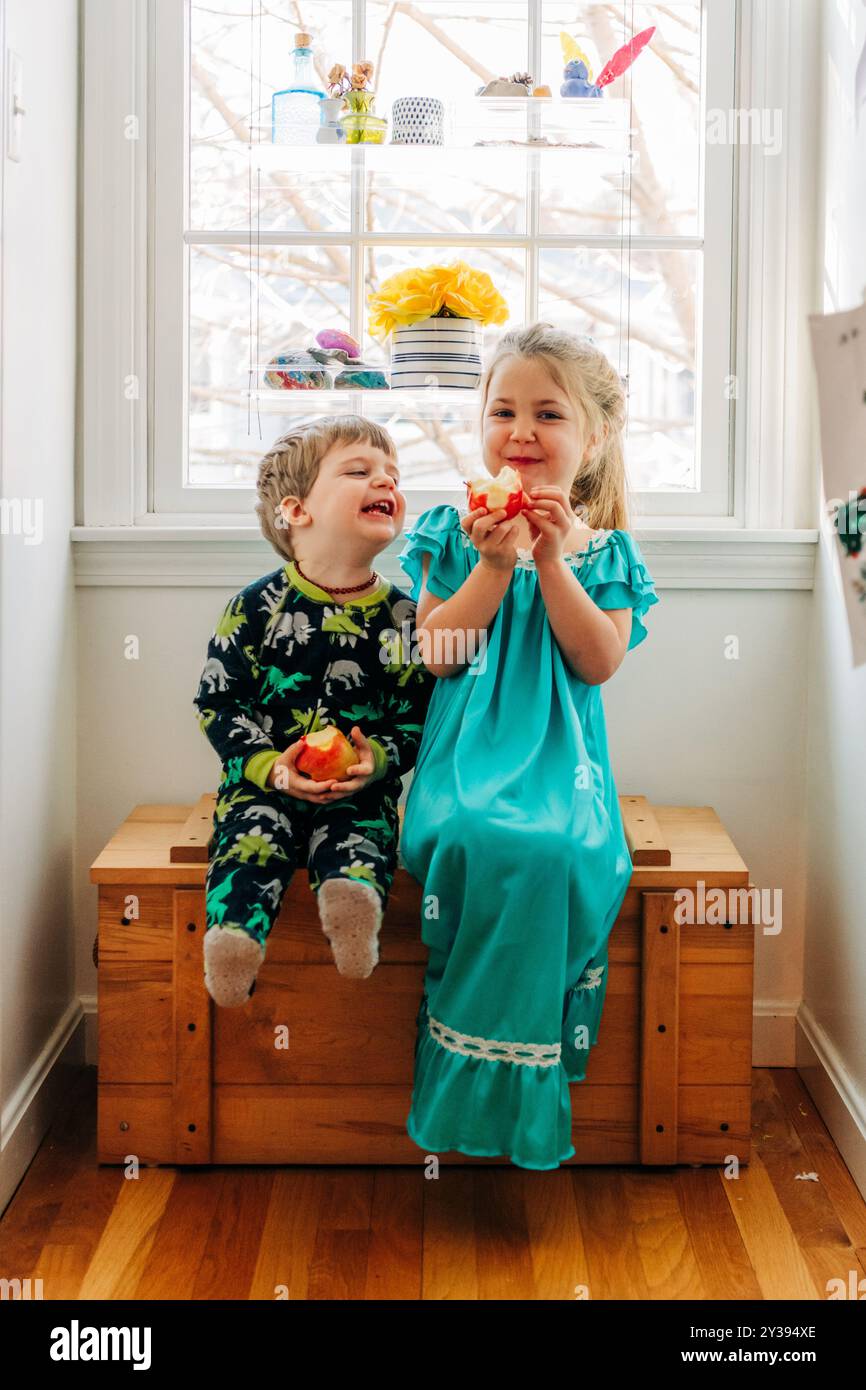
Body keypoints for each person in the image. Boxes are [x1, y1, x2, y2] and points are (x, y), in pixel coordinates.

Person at [396, 322, 661, 1170]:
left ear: (593, 437)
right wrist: (493, 566)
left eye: (547, 414)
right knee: (473, 834)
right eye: (502, 410)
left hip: (563, 769)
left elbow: (598, 660)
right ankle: (466, 1062)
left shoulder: (605, 551)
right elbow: (438, 654)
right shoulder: (453, 531)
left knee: (554, 850)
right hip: (466, 759)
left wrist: (552, 563)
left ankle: (524, 1073)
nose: (519, 432)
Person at [192, 416, 435, 1006]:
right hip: (264, 786)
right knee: (250, 841)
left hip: (359, 789)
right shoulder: (256, 606)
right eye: (359, 470)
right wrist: (272, 767)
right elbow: (219, 702)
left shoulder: (406, 615)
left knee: (362, 837)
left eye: (393, 475)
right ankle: (233, 938)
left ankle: (353, 906)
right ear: (297, 511)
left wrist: (375, 760)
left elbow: (415, 714)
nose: (386, 481)